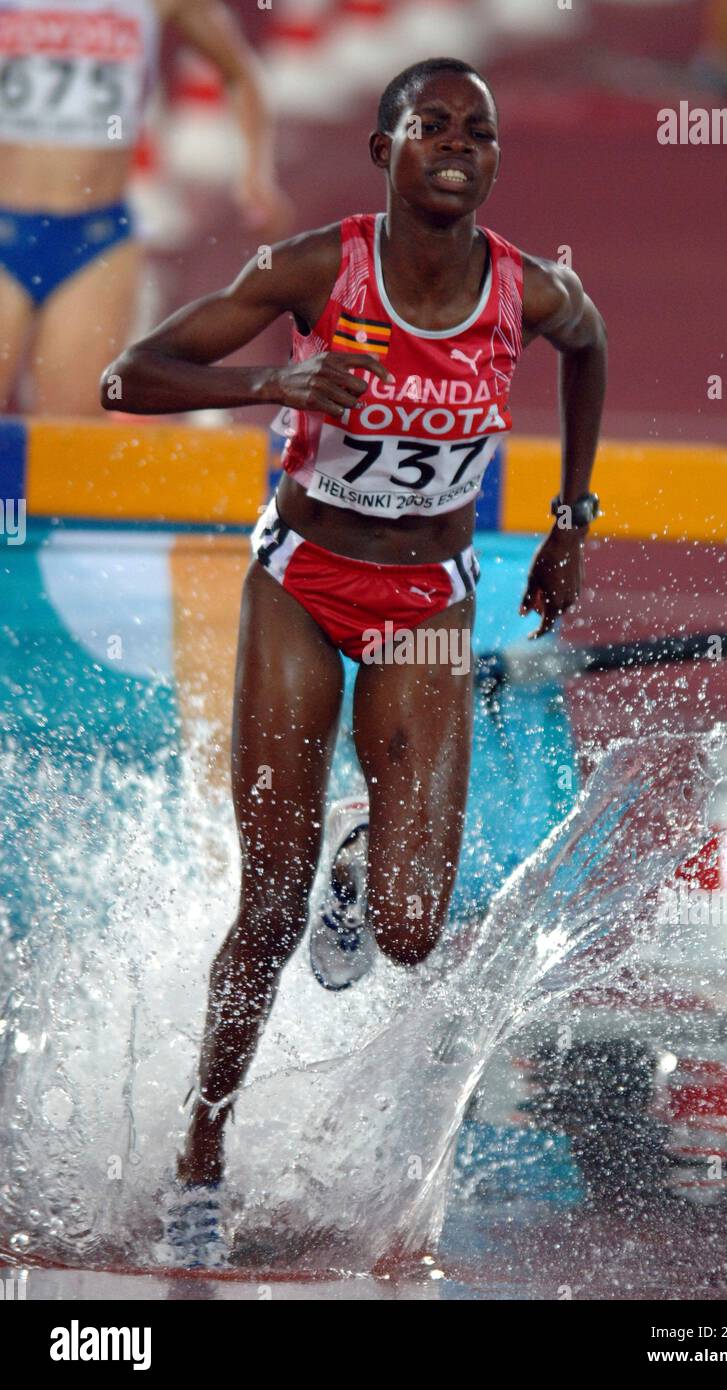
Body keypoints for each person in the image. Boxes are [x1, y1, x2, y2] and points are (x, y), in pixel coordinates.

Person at [102, 55, 607, 1267]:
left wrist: (569, 518)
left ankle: (358, 850)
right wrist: (272, 375)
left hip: (427, 602)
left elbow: (589, 344)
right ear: (384, 148)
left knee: (414, 927)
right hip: (302, 586)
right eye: (430, 123)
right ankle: (200, 1161)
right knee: (266, 913)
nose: (458, 142)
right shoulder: (316, 271)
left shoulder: (524, 293)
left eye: (478, 130)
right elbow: (130, 377)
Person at [0, 0, 290, 415]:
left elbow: (240, 73)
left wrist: (256, 175)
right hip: (5, 223)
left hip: (95, 238)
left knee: (70, 436)